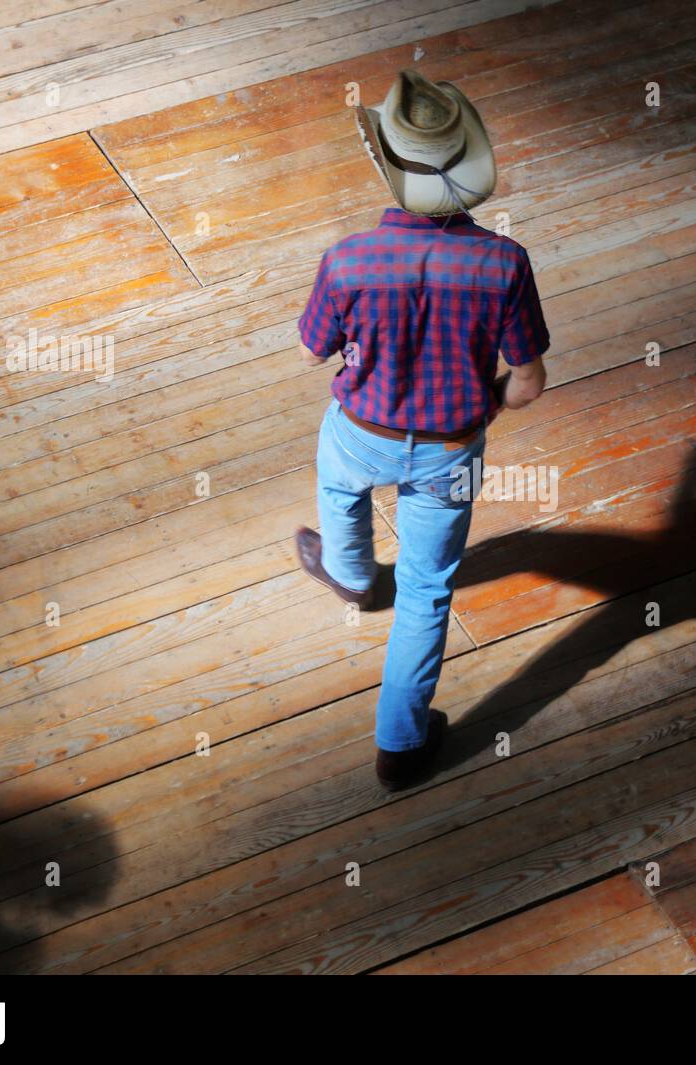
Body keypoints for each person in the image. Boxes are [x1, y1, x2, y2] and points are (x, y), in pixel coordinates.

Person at [295, 69, 550, 791]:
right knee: (427, 588)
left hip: (362, 424)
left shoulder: (348, 258)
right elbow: (529, 380)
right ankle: (401, 746)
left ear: (388, 166)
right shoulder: (505, 263)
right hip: (451, 447)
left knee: (338, 479)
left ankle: (348, 575)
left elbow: (314, 350)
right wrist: (486, 406)